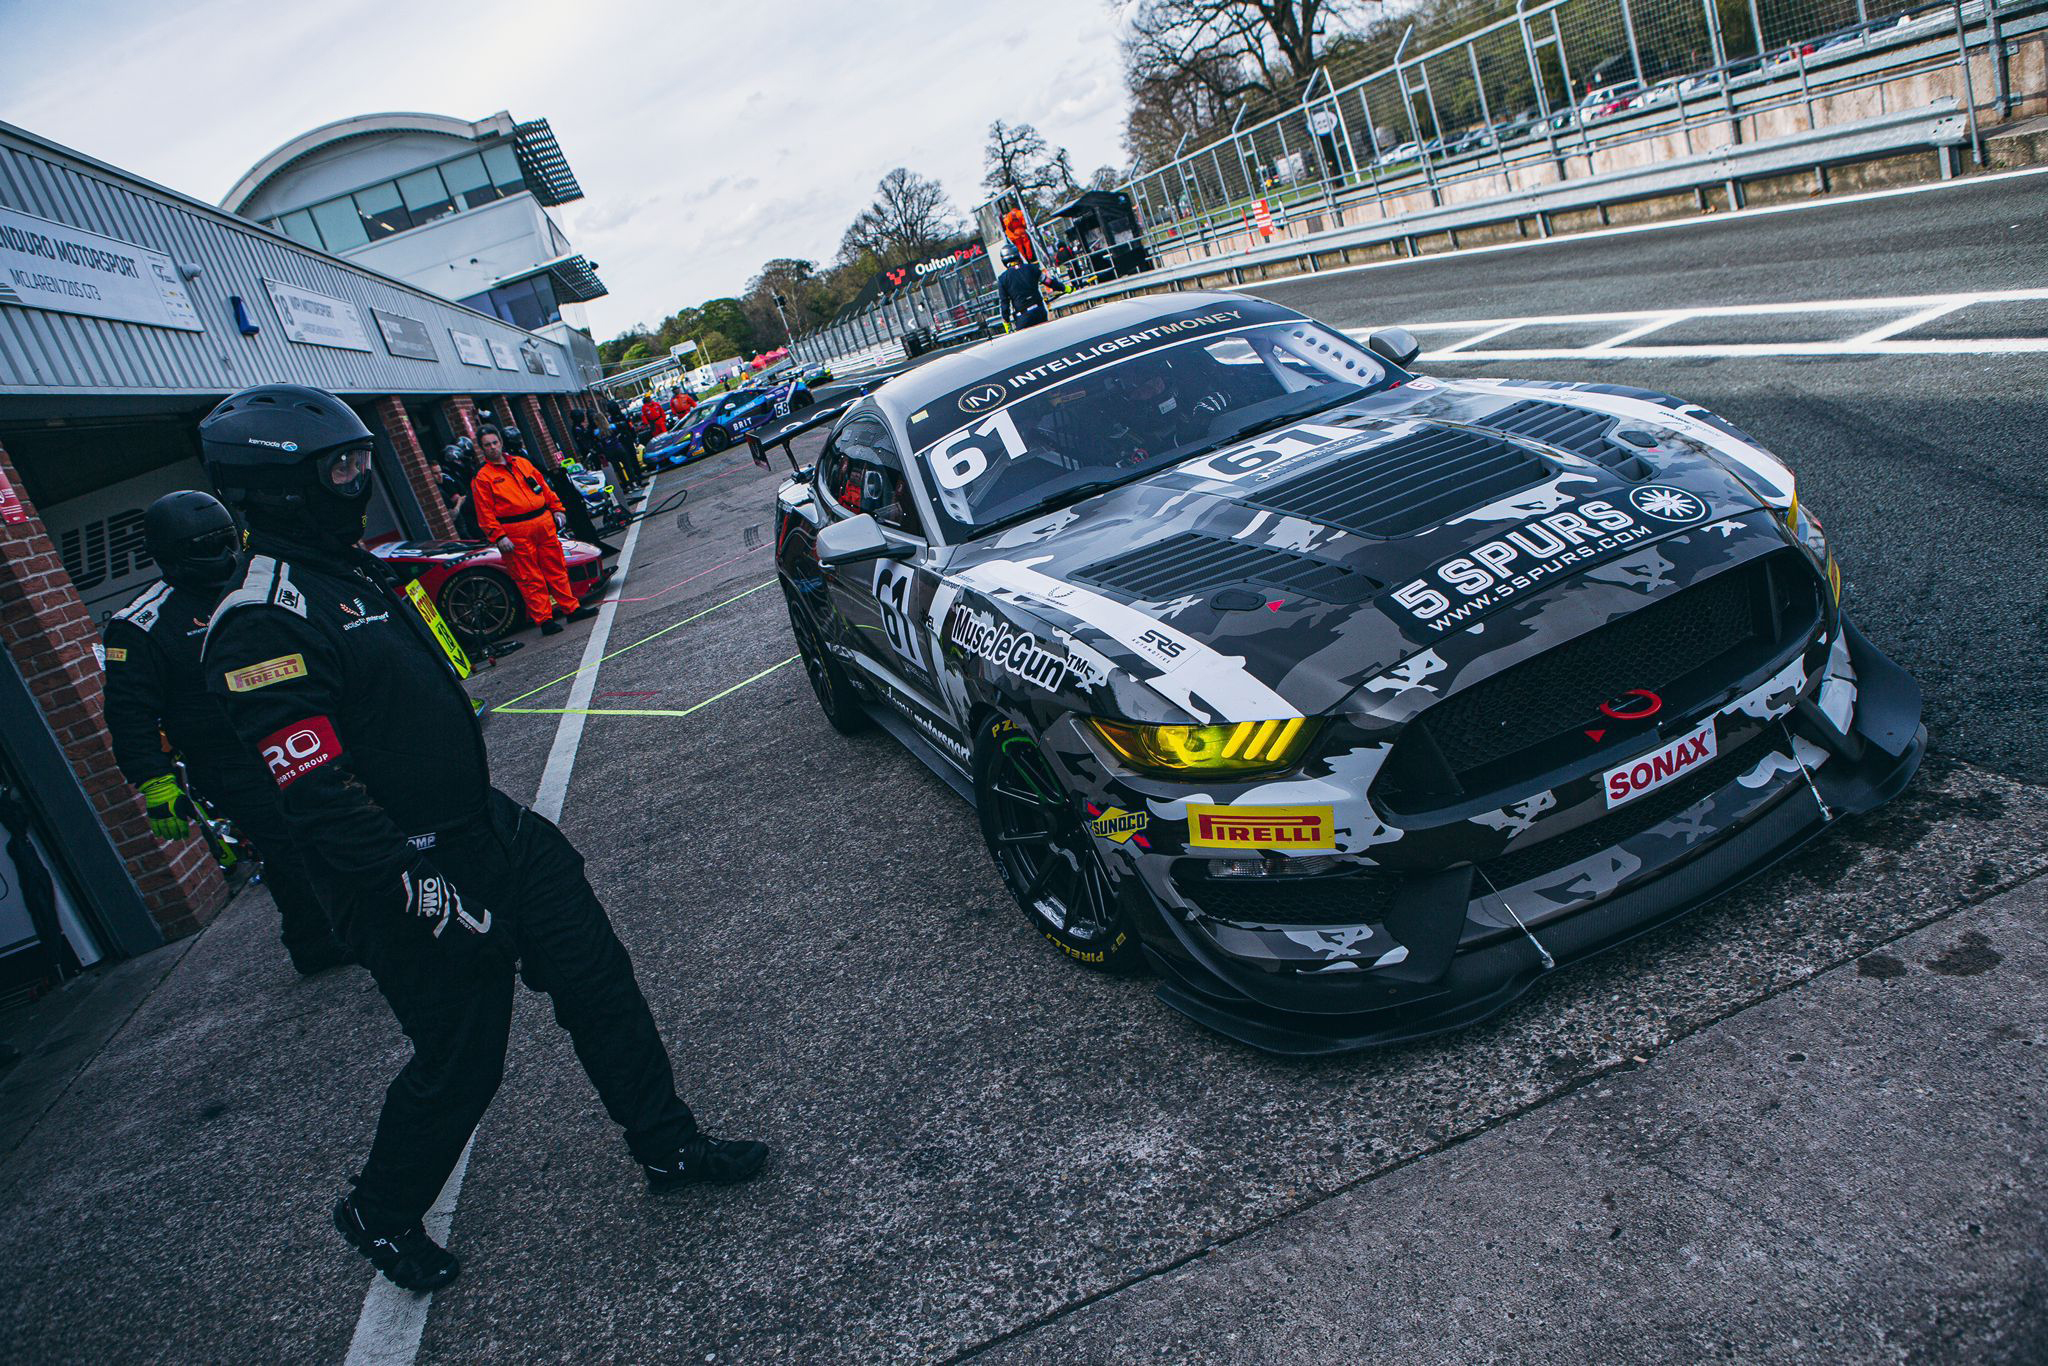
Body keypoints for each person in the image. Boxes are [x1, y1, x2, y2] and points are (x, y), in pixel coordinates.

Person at [196, 384, 768, 1292]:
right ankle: (380, 1210)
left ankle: (668, 1146)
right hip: (400, 873)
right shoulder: (259, 620)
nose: (356, 477)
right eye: (338, 466)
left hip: (490, 829)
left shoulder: (353, 568)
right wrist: (419, 891)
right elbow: (318, 794)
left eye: (358, 459)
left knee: (600, 984)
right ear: (274, 484)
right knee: (465, 1062)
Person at [102, 491, 354, 977]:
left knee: (328, 831)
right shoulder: (142, 625)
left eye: (224, 542)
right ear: (170, 554)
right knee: (297, 846)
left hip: (300, 732)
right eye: (204, 547)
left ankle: (310, 941)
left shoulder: (258, 581)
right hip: (230, 761)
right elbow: (129, 712)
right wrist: (154, 780)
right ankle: (346, 931)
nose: (219, 556)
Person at [467, 425, 589, 636]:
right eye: (487, 445)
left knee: (556, 567)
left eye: (495, 443)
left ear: (501, 442)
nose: (493, 448)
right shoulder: (483, 478)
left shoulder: (522, 464)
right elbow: (484, 513)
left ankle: (571, 608)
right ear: (482, 449)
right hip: (515, 531)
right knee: (529, 577)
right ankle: (545, 620)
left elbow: (545, 488)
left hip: (542, 522)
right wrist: (499, 536)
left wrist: (558, 510)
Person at [997, 246, 1064, 331]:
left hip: (1022, 317)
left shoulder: (1003, 279)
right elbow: (1048, 282)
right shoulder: (1031, 268)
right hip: (1039, 312)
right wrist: (1064, 288)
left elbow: (1004, 304)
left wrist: (1007, 322)